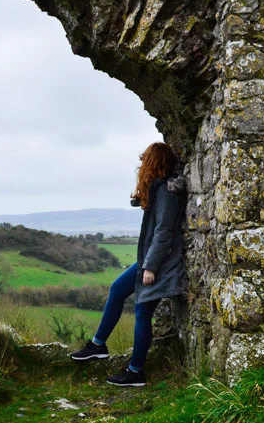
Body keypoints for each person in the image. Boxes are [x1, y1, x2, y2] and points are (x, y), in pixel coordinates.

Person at [69, 142, 186, 386]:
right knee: (117, 289)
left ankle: (135, 372)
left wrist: (151, 267)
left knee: (142, 312)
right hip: (149, 258)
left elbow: (164, 232)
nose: (141, 166)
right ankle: (98, 345)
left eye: (145, 161)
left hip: (160, 262)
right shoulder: (159, 189)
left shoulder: (166, 192)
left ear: (155, 163)